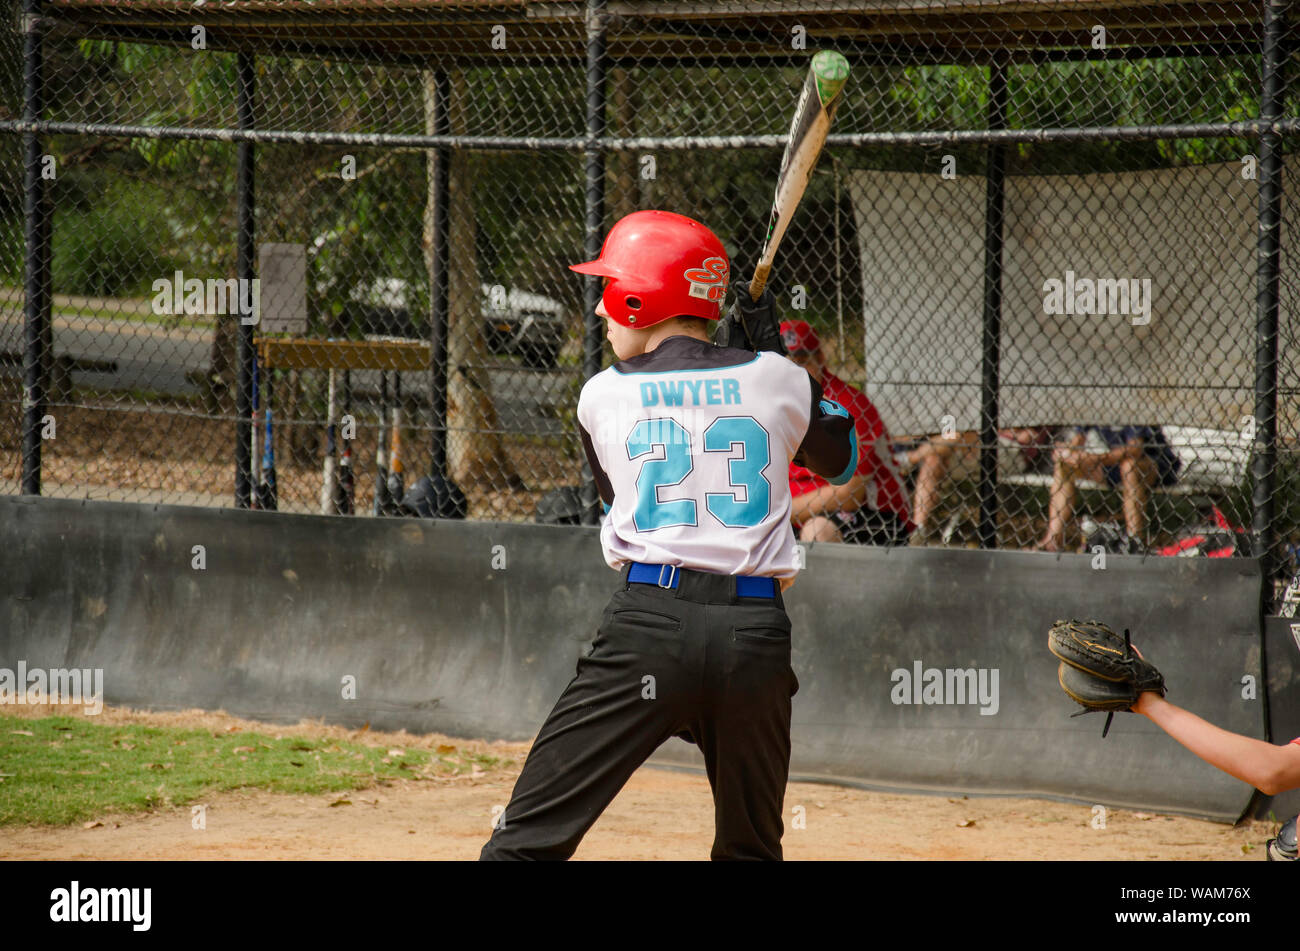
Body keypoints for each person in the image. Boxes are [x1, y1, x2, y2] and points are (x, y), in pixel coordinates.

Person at [479, 210, 856, 861]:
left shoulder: (600, 394)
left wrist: (746, 369)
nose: (602, 310)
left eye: (611, 293)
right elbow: (840, 457)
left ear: (639, 296)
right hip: (753, 638)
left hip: (647, 629)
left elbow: (620, 497)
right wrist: (780, 364)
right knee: (751, 851)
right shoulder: (777, 379)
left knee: (523, 845)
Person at [780, 320, 912, 546]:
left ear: (820, 359)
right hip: (793, 512)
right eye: (785, 363)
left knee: (817, 531)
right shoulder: (774, 404)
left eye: (802, 362)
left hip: (873, 513)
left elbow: (848, 494)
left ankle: (821, 583)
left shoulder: (849, 406)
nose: (794, 372)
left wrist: (778, 514)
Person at [894, 426, 1056, 543]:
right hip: (972, 443)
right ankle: (918, 529)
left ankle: (907, 459)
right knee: (935, 457)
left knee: (959, 434)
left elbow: (1028, 436)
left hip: (1008, 448)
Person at [1036, 424, 1180, 553]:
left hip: (1154, 464)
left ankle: (1135, 542)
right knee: (1064, 466)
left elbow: (1135, 449)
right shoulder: (1094, 402)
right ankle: (1053, 539)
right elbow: (1078, 439)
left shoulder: (1132, 401)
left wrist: (1094, 458)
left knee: (1129, 467)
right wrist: (1067, 452)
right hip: (1113, 462)